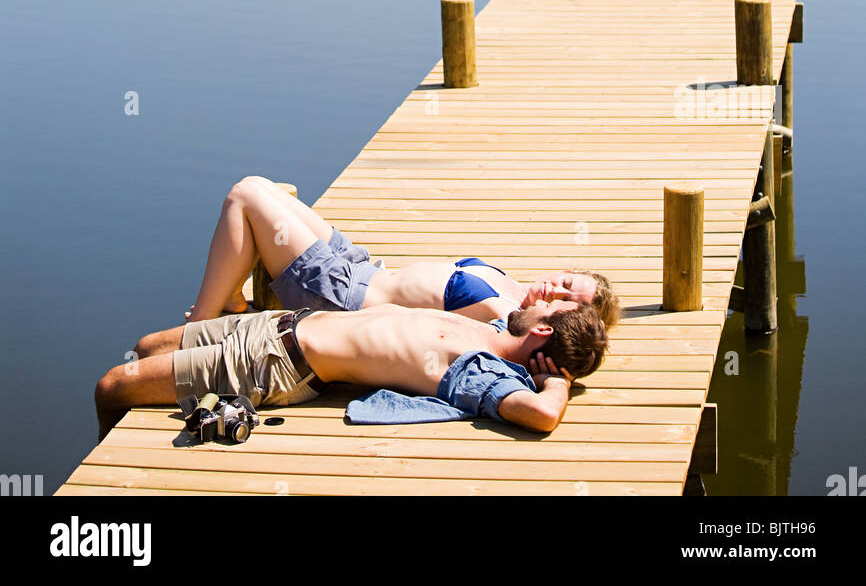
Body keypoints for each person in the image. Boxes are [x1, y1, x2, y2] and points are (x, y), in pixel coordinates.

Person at [95, 298, 608, 439]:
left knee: (114, 385)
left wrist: (555, 383)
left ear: (540, 333)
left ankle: (102, 474)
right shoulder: (497, 325)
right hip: (278, 323)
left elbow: (540, 416)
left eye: (549, 308)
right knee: (145, 346)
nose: (539, 299)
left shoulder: (484, 370)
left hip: (272, 363)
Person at [186, 175, 620, 326]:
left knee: (244, 196)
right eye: (566, 283)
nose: (554, 292)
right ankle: (229, 295)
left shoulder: (506, 317)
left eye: (565, 303)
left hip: (340, 295)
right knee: (263, 186)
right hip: (360, 265)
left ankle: (199, 325)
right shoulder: (514, 284)